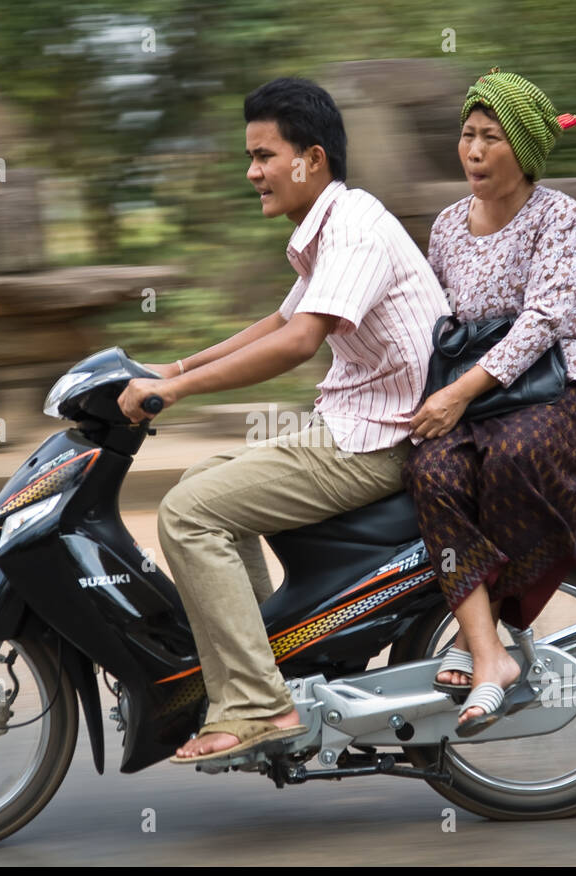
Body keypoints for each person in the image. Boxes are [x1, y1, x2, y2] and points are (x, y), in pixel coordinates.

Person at [118, 77, 451, 763]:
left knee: (188, 513)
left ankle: (256, 705)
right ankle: (281, 666)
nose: (252, 172)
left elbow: (299, 341)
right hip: (360, 423)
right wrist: (174, 370)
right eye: (251, 156)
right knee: (207, 477)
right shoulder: (330, 227)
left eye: (265, 155)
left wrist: (174, 395)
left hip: (381, 439)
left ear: (313, 159)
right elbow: (278, 320)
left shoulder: (354, 226)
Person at [403, 69, 576, 737]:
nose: (474, 149)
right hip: (478, 397)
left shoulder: (559, 215)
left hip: (555, 385)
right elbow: (428, 319)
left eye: (492, 137)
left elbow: (545, 317)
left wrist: (459, 393)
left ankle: (481, 632)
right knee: (431, 472)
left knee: (513, 460)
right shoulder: (443, 225)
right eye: (467, 135)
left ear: (522, 151)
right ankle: (488, 652)